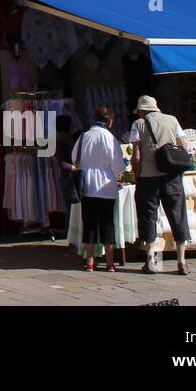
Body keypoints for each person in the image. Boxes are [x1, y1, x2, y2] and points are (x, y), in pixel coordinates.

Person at [128, 95, 192, 275]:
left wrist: (136, 173)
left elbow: (136, 154)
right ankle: (182, 260)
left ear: (142, 110)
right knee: (177, 214)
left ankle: (151, 261)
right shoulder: (172, 120)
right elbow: (185, 146)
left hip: (148, 177)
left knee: (148, 215)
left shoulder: (138, 124)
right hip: (172, 176)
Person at [72, 106, 127, 272]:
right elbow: (118, 166)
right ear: (109, 121)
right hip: (106, 185)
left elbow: (75, 158)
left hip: (87, 185)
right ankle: (110, 262)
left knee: (89, 223)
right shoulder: (110, 138)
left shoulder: (84, 137)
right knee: (107, 223)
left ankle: (90, 261)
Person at [54, 114, 81, 233]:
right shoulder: (61, 142)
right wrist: (75, 168)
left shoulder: (67, 139)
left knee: (72, 205)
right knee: (72, 205)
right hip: (68, 178)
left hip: (69, 177)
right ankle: (71, 232)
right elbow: (62, 162)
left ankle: (72, 232)